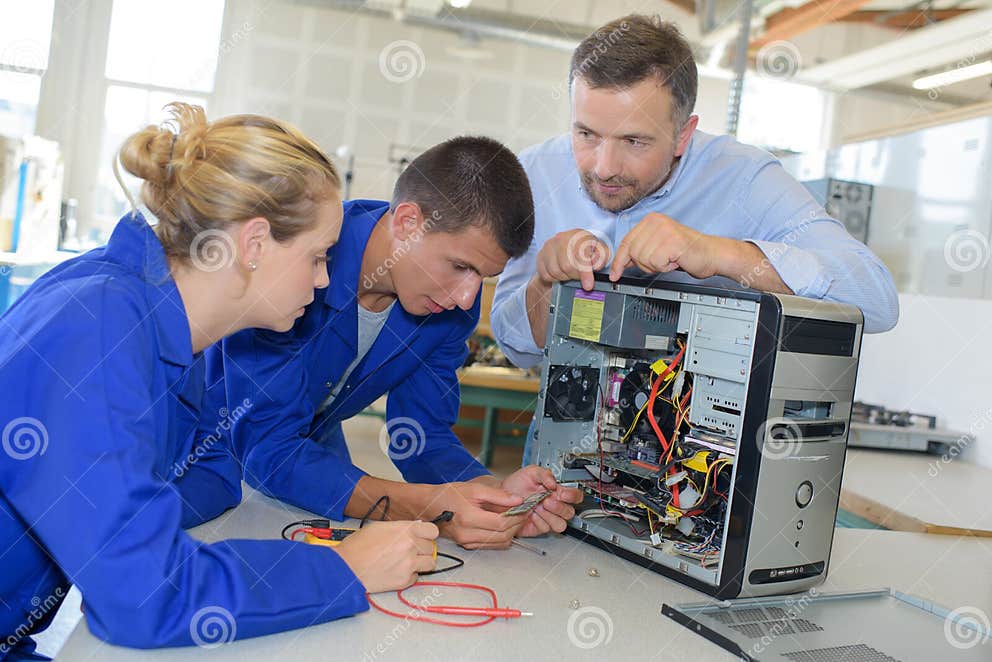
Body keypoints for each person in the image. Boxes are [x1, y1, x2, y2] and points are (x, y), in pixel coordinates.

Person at [0, 103, 437, 658]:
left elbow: (199, 480)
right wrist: (340, 568)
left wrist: (132, 548)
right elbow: (143, 597)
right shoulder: (99, 329)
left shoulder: (156, 321)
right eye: (318, 255)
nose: (326, 279)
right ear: (254, 245)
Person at [489, 16, 899, 462]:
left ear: (683, 133)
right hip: (562, 445)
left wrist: (722, 254)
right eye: (586, 133)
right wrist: (544, 285)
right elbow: (515, 348)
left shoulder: (744, 179)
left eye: (634, 141)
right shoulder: (534, 175)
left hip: (698, 460)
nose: (604, 166)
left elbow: (876, 299)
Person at [211, 136, 582, 551]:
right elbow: (268, 448)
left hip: (307, 456)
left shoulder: (451, 306)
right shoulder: (304, 263)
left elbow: (422, 433)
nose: (466, 298)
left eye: (483, 276)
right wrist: (428, 507)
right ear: (407, 223)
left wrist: (493, 495)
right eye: (460, 266)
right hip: (208, 448)